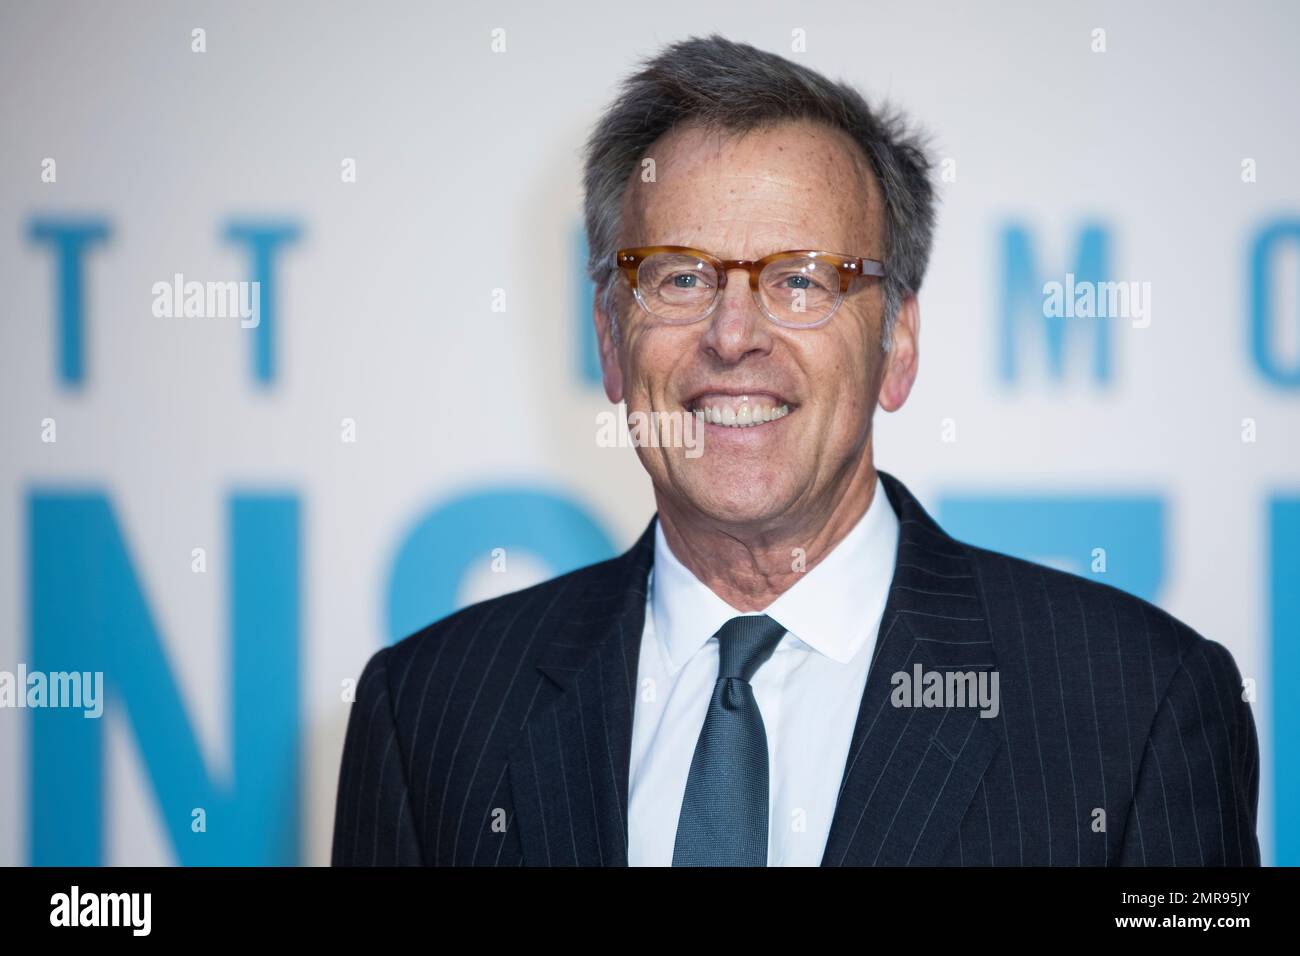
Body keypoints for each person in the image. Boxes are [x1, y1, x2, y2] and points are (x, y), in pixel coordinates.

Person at [331, 34, 1259, 866]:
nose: (734, 335)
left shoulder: (1135, 708)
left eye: (803, 281)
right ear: (612, 344)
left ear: (898, 344)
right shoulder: (430, 714)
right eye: (681, 276)